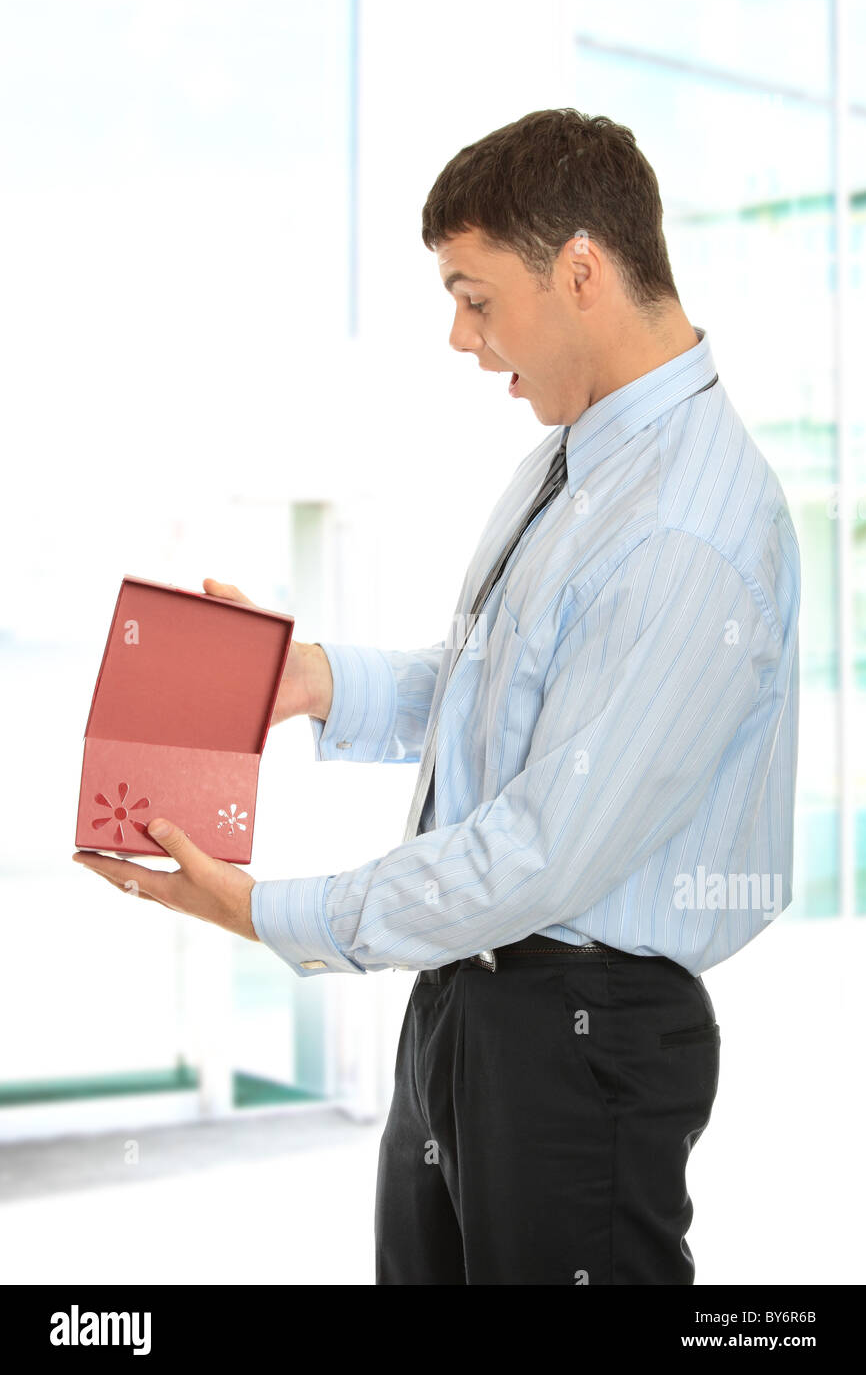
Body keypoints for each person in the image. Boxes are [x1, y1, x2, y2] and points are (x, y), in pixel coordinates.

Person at [73, 108, 800, 1285]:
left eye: (474, 296)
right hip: (469, 1002)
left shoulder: (687, 528)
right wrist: (311, 680)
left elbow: (539, 849)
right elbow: (496, 685)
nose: (461, 338)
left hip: (576, 1035)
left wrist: (267, 911)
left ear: (579, 269)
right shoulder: (572, 462)